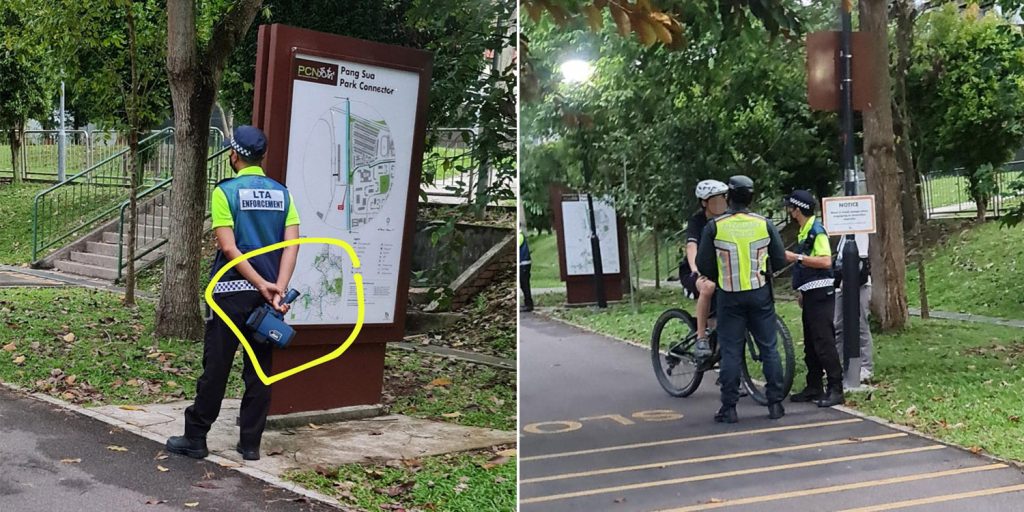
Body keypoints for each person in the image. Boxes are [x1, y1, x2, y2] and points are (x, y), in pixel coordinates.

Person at [166, 125, 301, 461]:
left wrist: (258, 283)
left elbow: (229, 248)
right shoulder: (283, 194)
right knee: (260, 371)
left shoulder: (225, 192)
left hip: (228, 295)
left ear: (234, 155)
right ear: (262, 156)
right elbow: (292, 245)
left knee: (217, 366)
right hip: (268, 301)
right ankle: (250, 444)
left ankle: (196, 437)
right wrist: (277, 288)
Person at [697, 175, 788, 423]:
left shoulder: (715, 226)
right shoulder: (764, 224)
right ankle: (775, 404)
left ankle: (729, 408)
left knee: (731, 351)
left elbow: (703, 264)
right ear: (751, 198)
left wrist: (720, 274)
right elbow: (780, 259)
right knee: (769, 348)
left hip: (729, 295)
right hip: (760, 294)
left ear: (728, 197)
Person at [783, 190, 844, 407]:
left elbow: (825, 261)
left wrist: (796, 257)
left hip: (821, 293)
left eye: (790, 207)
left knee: (823, 341)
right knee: (810, 343)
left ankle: (836, 388)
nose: (789, 211)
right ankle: (814, 385)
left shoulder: (816, 230)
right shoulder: (804, 231)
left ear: (797, 210)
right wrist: (802, 291)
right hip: (810, 293)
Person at [683, 180, 729, 361]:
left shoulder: (726, 220)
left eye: (723, 197)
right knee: (707, 287)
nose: (721, 202)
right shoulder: (697, 221)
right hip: (693, 270)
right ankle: (701, 338)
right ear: (704, 202)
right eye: (716, 199)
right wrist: (696, 270)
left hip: (719, 271)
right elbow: (691, 247)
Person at [834, 232, 874, 383]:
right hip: (841, 284)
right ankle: (839, 365)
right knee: (838, 324)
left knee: (860, 324)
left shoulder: (860, 233)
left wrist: (850, 281)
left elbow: (861, 263)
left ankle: (865, 367)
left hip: (858, 285)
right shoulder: (843, 234)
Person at [519, 229, 534, 312]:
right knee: (523, 284)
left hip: (523, 264)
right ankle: (527, 303)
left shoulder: (519, 235)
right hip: (523, 263)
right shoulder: (520, 235)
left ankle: (529, 304)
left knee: (524, 284)